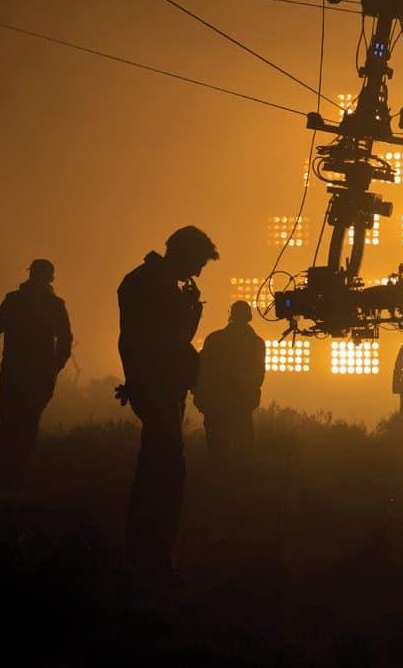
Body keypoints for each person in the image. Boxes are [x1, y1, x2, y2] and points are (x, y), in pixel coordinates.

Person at [116, 225, 219, 590]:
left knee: (160, 472)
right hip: (158, 390)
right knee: (164, 476)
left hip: (165, 389)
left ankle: (149, 558)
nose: (198, 272)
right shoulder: (147, 285)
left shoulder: (156, 284)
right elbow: (149, 341)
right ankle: (152, 561)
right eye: (197, 263)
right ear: (183, 254)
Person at [0, 259, 72, 483]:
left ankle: (6, 475)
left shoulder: (14, 301)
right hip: (40, 374)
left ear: (30, 275)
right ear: (51, 278)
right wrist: (55, 368)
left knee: (10, 422)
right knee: (29, 422)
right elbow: (66, 341)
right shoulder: (55, 304)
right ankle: (19, 474)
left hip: (13, 370)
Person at [192, 300, 265, 462]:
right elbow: (258, 376)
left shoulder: (214, 339)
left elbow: (201, 369)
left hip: (216, 402)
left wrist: (200, 395)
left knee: (216, 450)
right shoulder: (256, 343)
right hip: (242, 403)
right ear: (249, 317)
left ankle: (218, 481)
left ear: (230, 315)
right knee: (243, 451)